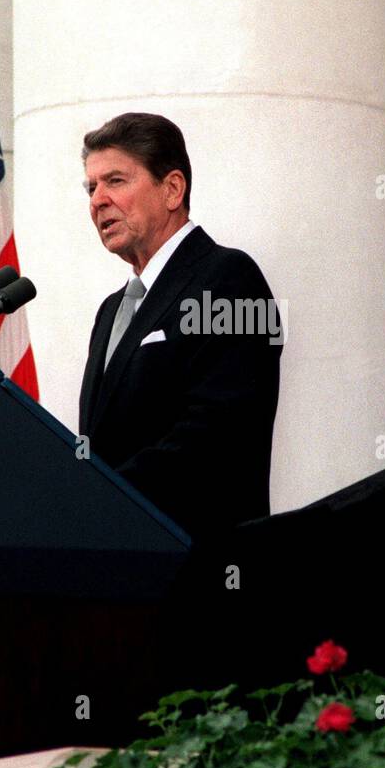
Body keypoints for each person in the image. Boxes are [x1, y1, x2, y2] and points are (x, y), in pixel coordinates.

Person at [78, 112, 283, 536]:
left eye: (115, 181)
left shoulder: (230, 278)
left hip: (200, 571)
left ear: (172, 189)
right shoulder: (110, 311)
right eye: (91, 187)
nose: (97, 200)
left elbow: (216, 437)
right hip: (113, 572)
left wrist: (93, 499)